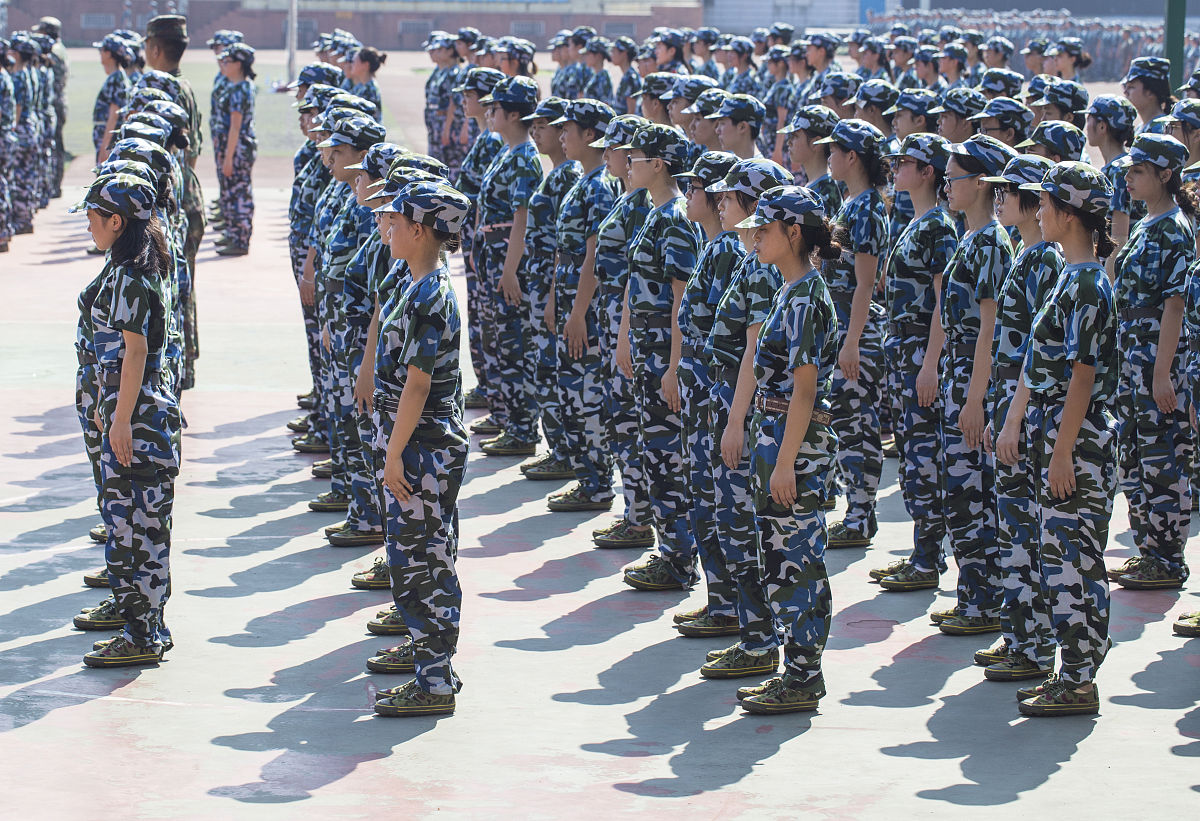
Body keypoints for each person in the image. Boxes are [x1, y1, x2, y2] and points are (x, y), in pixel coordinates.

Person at [1004, 161, 1118, 717]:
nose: (1038, 211)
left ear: (1070, 213)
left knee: (1072, 561)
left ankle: (1078, 679)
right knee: (1059, 558)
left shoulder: (1091, 283)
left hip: (1078, 437)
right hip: (1055, 430)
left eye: (1047, 203)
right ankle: (1073, 669)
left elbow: (1083, 374)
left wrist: (1063, 452)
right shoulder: (1070, 277)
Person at [732, 184, 841, 714]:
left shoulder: (806, 297)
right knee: (779, 561)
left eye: (765, 228)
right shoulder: (791, 290)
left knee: (796, 565)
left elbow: (805, 388)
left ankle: (803, 676)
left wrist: (783, 463)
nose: (755, 237)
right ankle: (795, 671)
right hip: (776, 439)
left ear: (793, 233)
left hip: (793, 447)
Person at [368, 181, 472, 718]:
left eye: (397, 220)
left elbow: (417, 384)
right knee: (423, 556)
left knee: (421, 564)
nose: (389, 227)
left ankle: (433, 682)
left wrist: (392, 455)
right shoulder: (418, 284)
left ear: (420, 230)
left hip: (422, 449)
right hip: (419, 444)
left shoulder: (431, 294)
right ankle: (433, 665)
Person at [70, 173, 181, 668]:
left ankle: (142, 634)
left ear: (116, 221)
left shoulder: (133, 277)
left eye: (94, 217)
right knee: (131, 527)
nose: (88, 226)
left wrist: (118, 420)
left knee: (137, 531)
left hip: (137, 422)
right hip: (126, 414)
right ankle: (144, 628)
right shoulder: (123, 269)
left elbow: (135, 354)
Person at [698, 157, 793, 676]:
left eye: (730, 199)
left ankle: (760, 642)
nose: (722, 206)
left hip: (747, 416)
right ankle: (754, 635)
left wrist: (735, 422)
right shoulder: (748, 261)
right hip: (729, 408)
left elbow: (755, 353)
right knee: (733, 526)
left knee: (742, 530)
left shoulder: (760, 271)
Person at [978, 153, 1060, 681]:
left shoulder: (1043, 263)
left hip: (1026, 417)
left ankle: (1033, 646)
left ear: (1034, 204)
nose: (1000, 199)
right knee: (1013, 531)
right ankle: (1021, 637)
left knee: (1025, 532)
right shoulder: (1025, 257)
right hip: (1011, 410)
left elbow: (1038, 351)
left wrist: (1013, 419)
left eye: (1010, 192)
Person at [935, 134, 1017, 635]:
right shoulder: (971, 236)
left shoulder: (990, 241)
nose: (947, 185)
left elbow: (991, 326)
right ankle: (975, 594)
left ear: (982, 183)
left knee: (973, 494)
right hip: (959, 372)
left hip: (974, 378)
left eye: (955, 177)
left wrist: (975, 399)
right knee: (961, 493)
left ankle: (985, 601)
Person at [617, 124, 702, 591]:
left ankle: (677, 558)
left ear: (660, 164)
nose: (629, 164)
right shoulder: (655, 213)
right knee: (656, 453)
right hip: (646, 352)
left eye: (638, 157)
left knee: (669, 457)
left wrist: (673, 366)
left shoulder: (674, 219)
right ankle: (669, 548)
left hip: (662, 358)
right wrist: (626, 338)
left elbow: (681, 299)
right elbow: (637, 285)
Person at [1109, 134, 1195, 591]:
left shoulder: (1174, 229)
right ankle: (1149, 553)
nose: (1128, 178)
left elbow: (1175, 305)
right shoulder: (1146, 224)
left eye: (1138, 171)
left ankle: (1167, 558)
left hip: (1155, 361)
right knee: (1136, 459)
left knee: (1163, 461)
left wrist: (1163, 372)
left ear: (1165, 175)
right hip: (1132, 359)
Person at [872, 133, 957, 591]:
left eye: (907, 162)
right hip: (902, 352)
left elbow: (945, 300)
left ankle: (928, 559)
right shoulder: (917, 221)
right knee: (911, 454)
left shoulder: (939, 227)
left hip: (921, 352)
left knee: (924, 457)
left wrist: (930, 363)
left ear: (928, 172)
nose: (897, 167)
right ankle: (922, 553)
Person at [673, 149, 741, 638]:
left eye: (694, 188)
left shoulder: (728, 253)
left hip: (717, 396)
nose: (688, 195)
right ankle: (721, 599)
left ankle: (730, 605)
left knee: (716, 500)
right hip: (704, 394)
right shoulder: (712, 246)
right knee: (704, 498)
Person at [814, 119, 890, 548]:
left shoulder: (867, 209)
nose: (829, 157)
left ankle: (861, 514)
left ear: (852, 157)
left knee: (858, 425)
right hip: (842, 327)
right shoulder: (852, 204)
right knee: (843, 421)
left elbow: (865, 283)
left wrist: (852, 341)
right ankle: (854, 508)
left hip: (854, 329)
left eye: (834, 150)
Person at [546, 99, 621, 509]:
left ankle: (597, 483)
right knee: (571, 392)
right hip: (573, 302)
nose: (562, 136)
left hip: (587, 311)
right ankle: (587, 478)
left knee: (586, 395)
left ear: (590, 135)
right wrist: (558, 303)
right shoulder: (583, 180)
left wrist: (577, 313)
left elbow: (593, 256)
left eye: (568, 130)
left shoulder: (598, 187)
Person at [589, 114, 655, 549]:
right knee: (621, 418)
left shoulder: (643, 206)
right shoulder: (626, 198)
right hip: (613, 317)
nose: (611, 157)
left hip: (627, 323)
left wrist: (623, 335)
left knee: (632, 421)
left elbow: (637, 276)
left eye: (618, 149)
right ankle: (634, 508)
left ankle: (640, 515)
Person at [474, 75, 544, 457]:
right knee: (499, 341)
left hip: (508, 257)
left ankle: (522, 429)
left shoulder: (526, 157)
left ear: (515, 114)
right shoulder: (506, 152)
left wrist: (510, 269)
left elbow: (521, 217)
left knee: (514, 343)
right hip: (493, 253)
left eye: (496, 108)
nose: (490, 113)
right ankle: (508, 418)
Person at [516, 97, 580, 482]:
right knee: (543, 367)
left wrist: (555, 294)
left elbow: (565, 245)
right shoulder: (555, 173)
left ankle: (565, 452)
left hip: (552, 286)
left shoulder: (569, 176)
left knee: (552, 368)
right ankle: (559, 448)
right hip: (541, 283)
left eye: (545, 126)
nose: (537, 133)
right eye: (534, 126)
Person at [143, 15, 206, 390]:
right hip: (188, 195)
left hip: (174, 202)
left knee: (172, 291)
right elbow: (193, 152)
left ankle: (177, 372)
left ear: (154, 48)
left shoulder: (161, 87)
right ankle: (187, 367)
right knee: (183, 287)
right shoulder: (185, 86)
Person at [214, 43, 257, 255]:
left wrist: (229, 157)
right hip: (231, 147)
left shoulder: (241, 89)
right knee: (231, 192)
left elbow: (236, 126)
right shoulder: (236, 86)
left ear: (239, 64)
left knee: (239, 193)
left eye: (228, 61)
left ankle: (240, 239)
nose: (224, 64)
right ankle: (233, 235)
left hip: (237, 149)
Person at [92, 34, 133, 163]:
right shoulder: (120, 77)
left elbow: (114, 114)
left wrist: (105, 145)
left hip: (109, 136)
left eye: (102, 51)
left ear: (109, 54)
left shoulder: (116, 79)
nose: (100, 54)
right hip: (112, 135)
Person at [344, 46, 385, 120]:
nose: (351, 64)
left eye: (354, 62)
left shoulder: (370, 90)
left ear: (366, 65)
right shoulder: (362, 86)